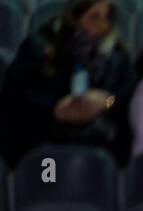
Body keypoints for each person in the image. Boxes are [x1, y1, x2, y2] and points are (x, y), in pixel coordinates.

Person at [0, 0, 134, 165]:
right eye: (94, 17)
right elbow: (17, 95)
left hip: (99, 141)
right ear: (75, 16)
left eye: (107, 18)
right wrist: (55, 109)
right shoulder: (41, 46)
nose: (102, 26)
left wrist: (106, 103)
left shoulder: (117, 56)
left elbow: (123, 95)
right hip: (47, 139)